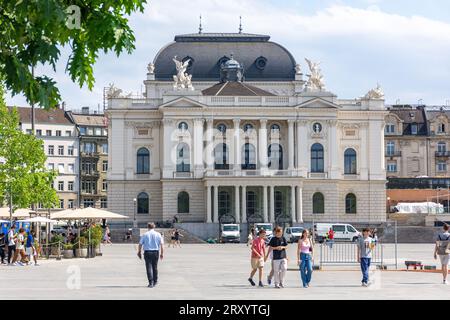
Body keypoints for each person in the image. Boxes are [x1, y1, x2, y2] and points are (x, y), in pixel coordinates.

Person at [137, 223, 164, 288]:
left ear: (148, 227)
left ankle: (150, 282)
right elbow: (162, 245)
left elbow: (140, 244)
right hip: (155, 252)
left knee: (149, 267)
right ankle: (155, 281)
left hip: (147, 252)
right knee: (155, 267)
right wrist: (162, 253)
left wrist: (139, 252)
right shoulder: (158, 234)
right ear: (154, 227)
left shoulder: (145, 234)